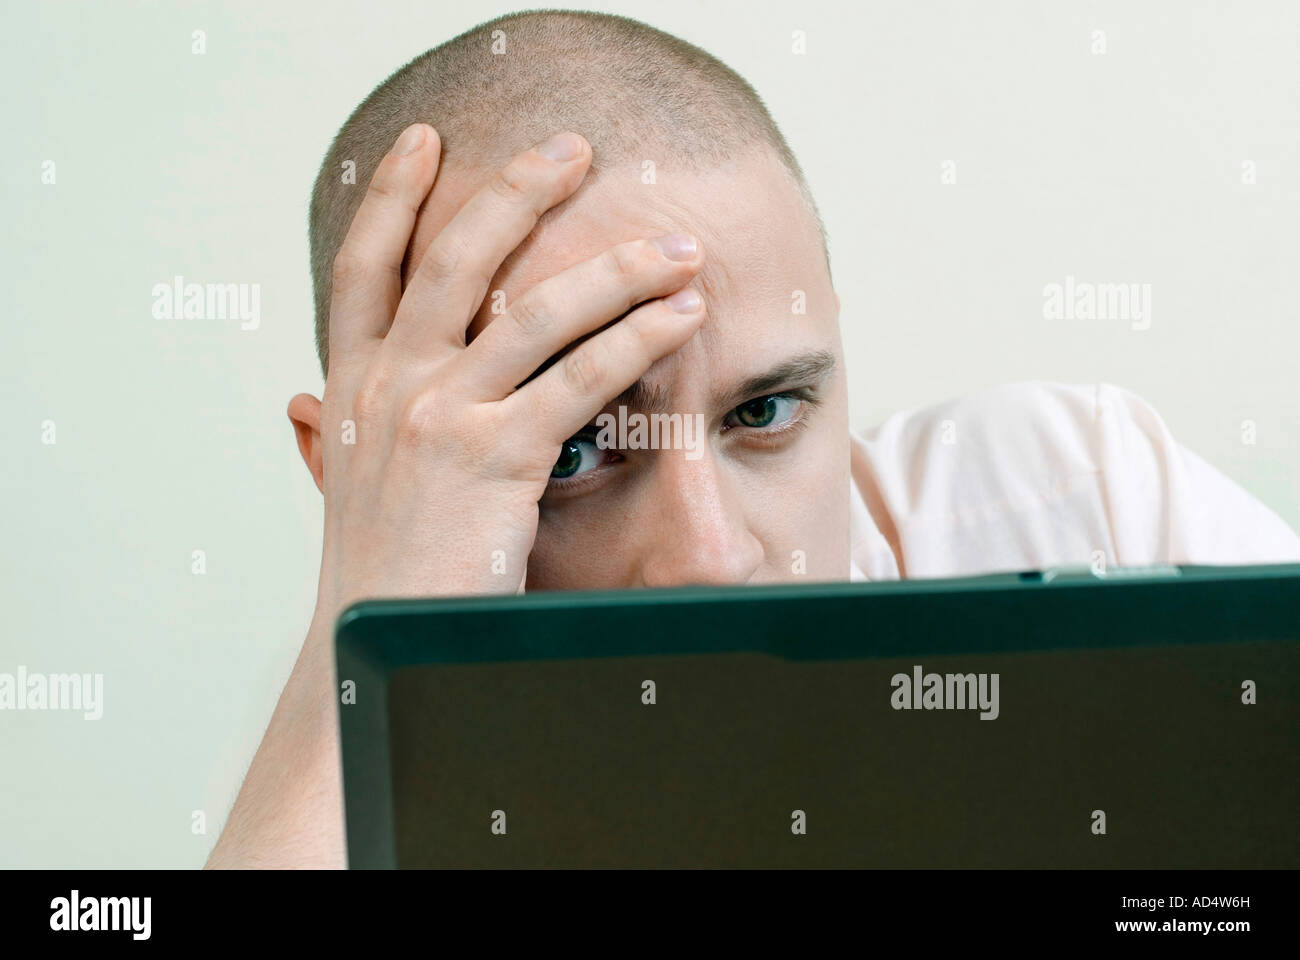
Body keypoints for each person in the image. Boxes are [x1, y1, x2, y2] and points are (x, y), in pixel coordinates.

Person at [205, 10, 1300, 869]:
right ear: (358, 481)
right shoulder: (343, 808)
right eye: (573, 452)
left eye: (763, 413)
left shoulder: (1080, 497)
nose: (709, 560)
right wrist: (367, 629)